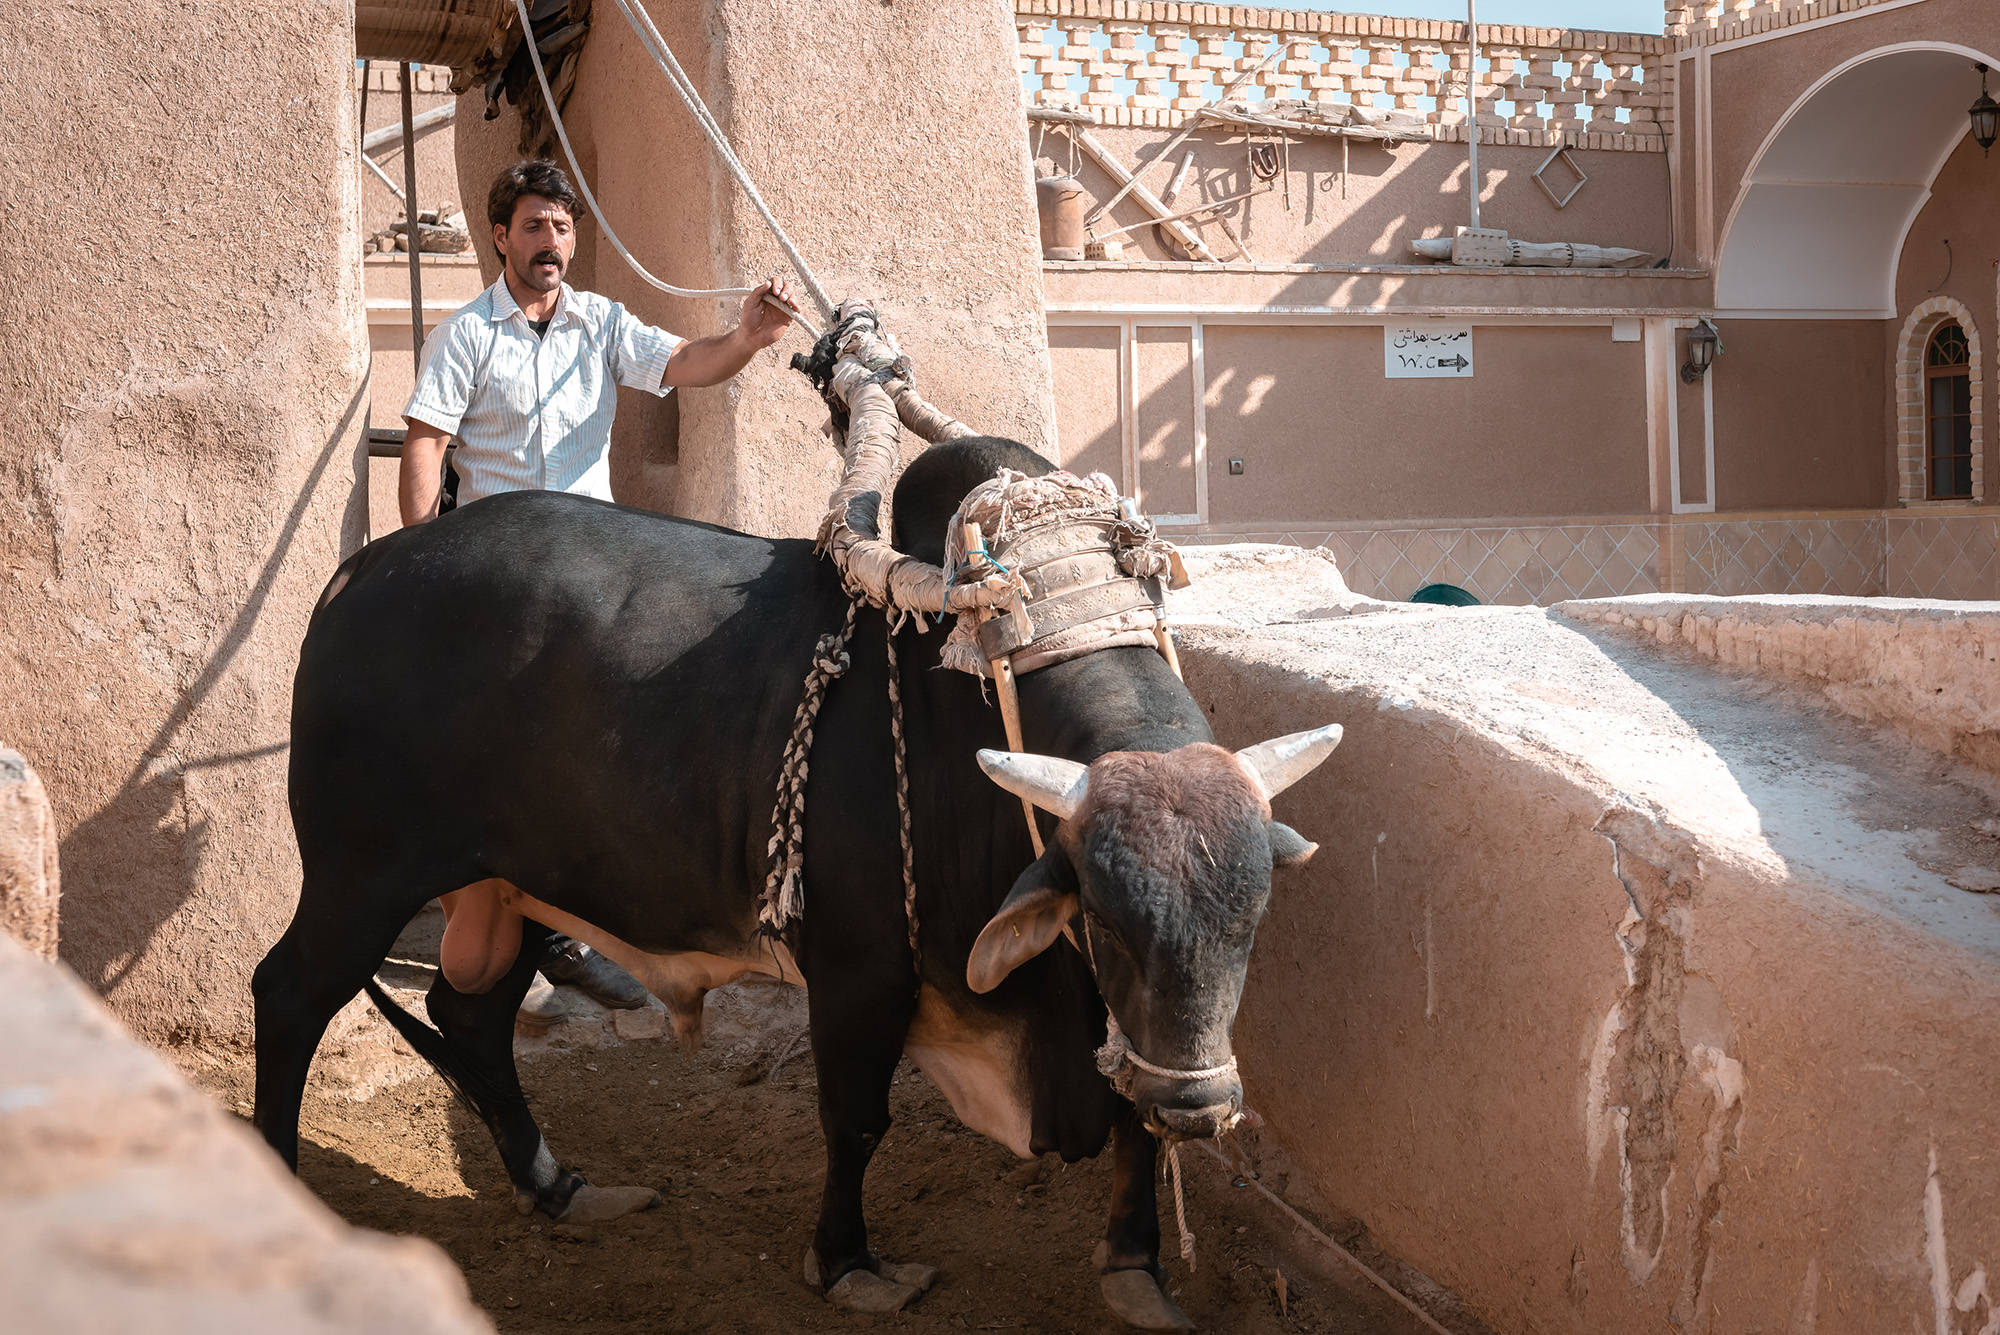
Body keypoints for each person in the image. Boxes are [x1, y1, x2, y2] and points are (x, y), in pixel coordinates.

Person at [399, 159, 795, 1019]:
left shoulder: (601, 323)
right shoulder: (465, 335)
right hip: (498, 584)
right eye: (535, 226)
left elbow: (686, 361)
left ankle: (590, 929)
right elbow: (426, 444)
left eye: (563, 228)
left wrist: (748, 339)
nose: (552, 244)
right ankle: (550, 936)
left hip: (590, 580)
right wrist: (421, 566)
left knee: (600, 751)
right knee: (505, 759)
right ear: (500, 237)